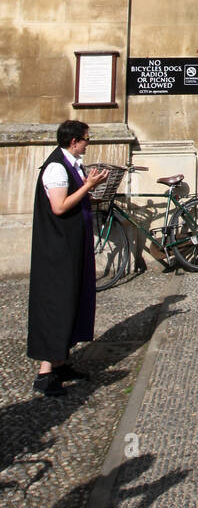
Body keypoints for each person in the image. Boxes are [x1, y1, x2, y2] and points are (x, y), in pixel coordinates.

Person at [28, 120, 108, 396]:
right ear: (73, 140)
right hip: (57, 250)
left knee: (73, 301)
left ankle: (61, 362)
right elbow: (59, 206)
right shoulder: (55, 168)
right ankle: (45, 374)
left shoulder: (72, 164)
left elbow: (75, 198)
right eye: (86, 139)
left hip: (73, 246)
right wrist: (88, 186)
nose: (88, 143)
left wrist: (92, 189)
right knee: (57, 305)